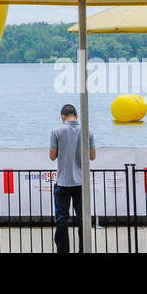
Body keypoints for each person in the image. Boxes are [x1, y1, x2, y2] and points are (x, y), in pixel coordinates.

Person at [48, 104, 96, 254]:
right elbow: (92, 156)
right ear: (76, 115)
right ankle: (84, 249)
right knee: (82, 220)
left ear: (63, 116)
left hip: (63, 181)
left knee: (62, 220)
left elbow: (52, 156)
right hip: (81, 182)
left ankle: (63, 251)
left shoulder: (56, 131)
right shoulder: (88, 131)